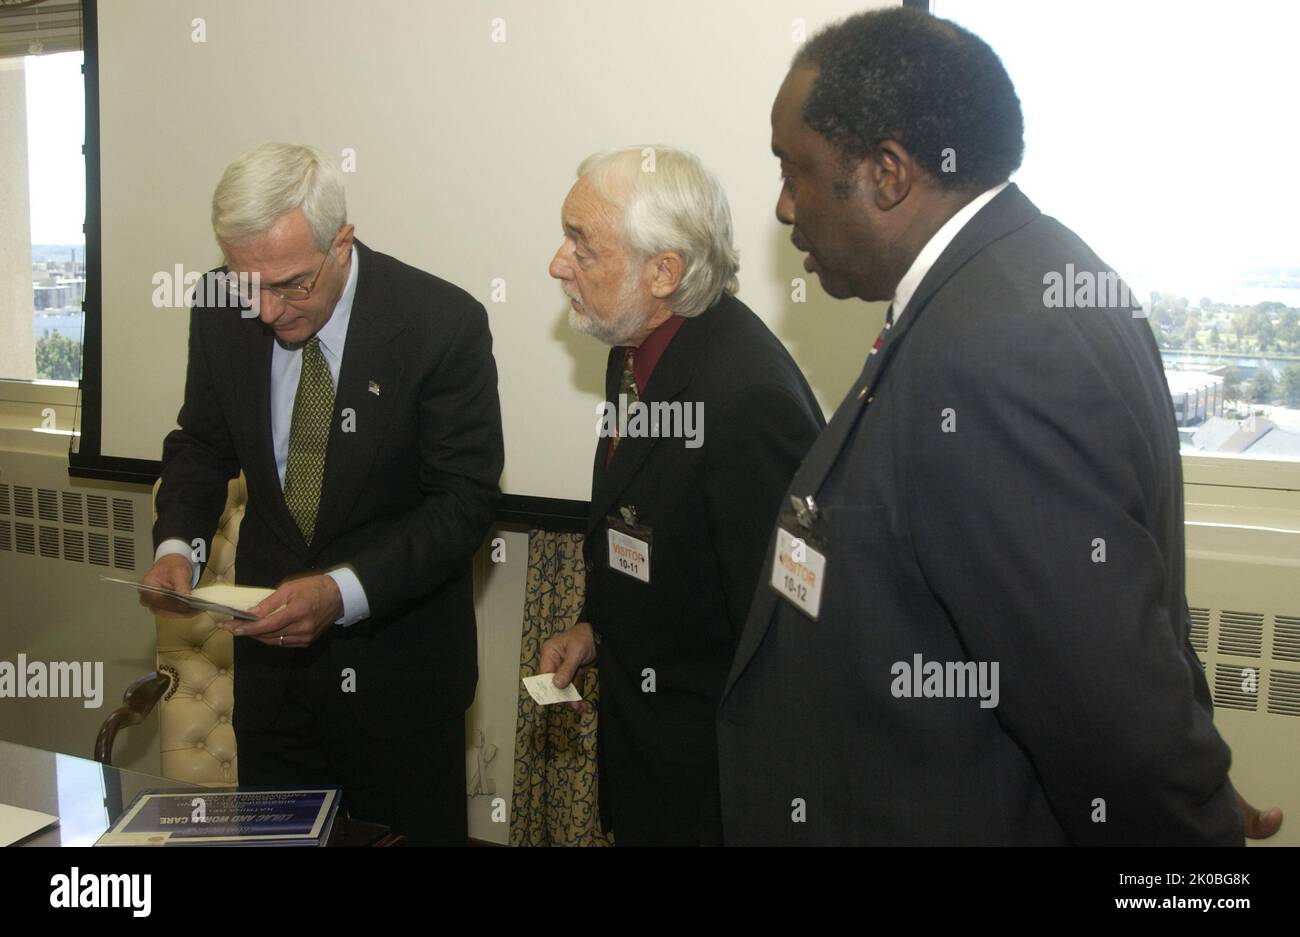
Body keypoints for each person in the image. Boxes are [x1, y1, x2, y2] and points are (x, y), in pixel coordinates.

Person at [717, 8, 1247, 845]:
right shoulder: (1031, 272)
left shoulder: (992, 346)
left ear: (887, 174)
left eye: (796, 171)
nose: (784, 206)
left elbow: (1101, 701)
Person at [139, 142, 503, 845]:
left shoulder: (440, 325)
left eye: (292, 285)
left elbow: (462, 503)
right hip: (275, 689)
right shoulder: (221, 308)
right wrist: (177, 544)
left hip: (399, 685)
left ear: (342, 241)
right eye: (251, 285)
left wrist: (341, 591)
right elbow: (201, 443)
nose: (269, 310)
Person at [541, 146, 823, 845]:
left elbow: (781, 638)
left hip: (714, 794)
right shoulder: (632, 347)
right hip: (647, 759)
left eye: (583, 244)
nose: (557, 263)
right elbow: (650, 527)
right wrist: (594, 625)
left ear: (662, 271)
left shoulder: (746, 397)